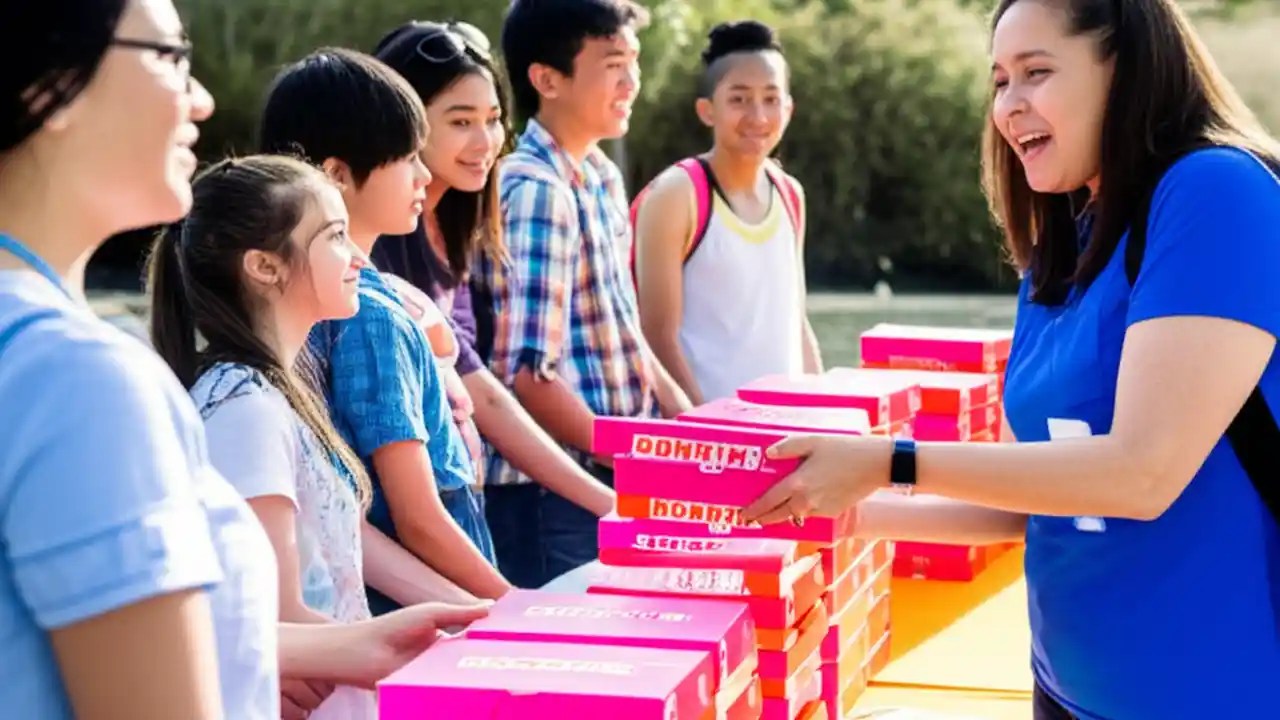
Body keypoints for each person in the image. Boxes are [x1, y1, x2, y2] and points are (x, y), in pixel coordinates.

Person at [740, 0, 1280, 718]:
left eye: (1036, 72)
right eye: (999, 81)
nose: (1010, 105)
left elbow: (1141, 471)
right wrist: (844, 511)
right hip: (1064, 686)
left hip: (1213, 694)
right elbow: (1028, 500)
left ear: (1125, 68)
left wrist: (889, 459)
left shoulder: (1217, 191)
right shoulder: (1065, 241)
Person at [0, 3, 488, 718]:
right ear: (52, 87)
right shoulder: (80, 380)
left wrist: (351, 645)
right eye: (170, 57)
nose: (200, 98)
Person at [147, 155, 490, 718]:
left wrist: (480, 613)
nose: (358, 256)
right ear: (264, 266)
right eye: (334, 236)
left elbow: (345, 537)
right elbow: (278, 615)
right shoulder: (244, 404)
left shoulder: (276, 386)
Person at [258, 48, 512, 611]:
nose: (425, 174)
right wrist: (514, 606)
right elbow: (418, 518)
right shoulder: (369, 314)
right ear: (336, 176)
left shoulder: (331, 298)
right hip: (421, 574)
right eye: (406, 157)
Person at [370, 21, 616, 550]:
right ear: (404, 123)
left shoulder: (456, 225)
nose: (485, 142)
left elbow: (482, 390)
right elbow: (495, 390)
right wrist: (611, 500)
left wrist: (615, 498)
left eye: (494, 119)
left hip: (460, 507)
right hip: (398, 528)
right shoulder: (375, 240)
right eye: (461, 121)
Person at [480, 0, 693, 589]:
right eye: (612, 64)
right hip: (555, 496)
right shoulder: (536, 190)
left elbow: (624, 331)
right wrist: (634, 456)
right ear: (547, 80)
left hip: (613, 473)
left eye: (635, 62)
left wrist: (690, 431)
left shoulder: (599, 176)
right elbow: (528, 376)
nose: (632, 82)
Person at [632, 20, 822, 404]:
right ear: (707, 110)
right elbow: (655, 337)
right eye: (739, 99)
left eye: (771, 99)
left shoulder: (790, 194)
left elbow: (796, 323)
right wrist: (708, 429)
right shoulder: (679, 193)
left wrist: (825, 411)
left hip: (784, 437)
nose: (758, 115)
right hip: (712, 444)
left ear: (788, 108)